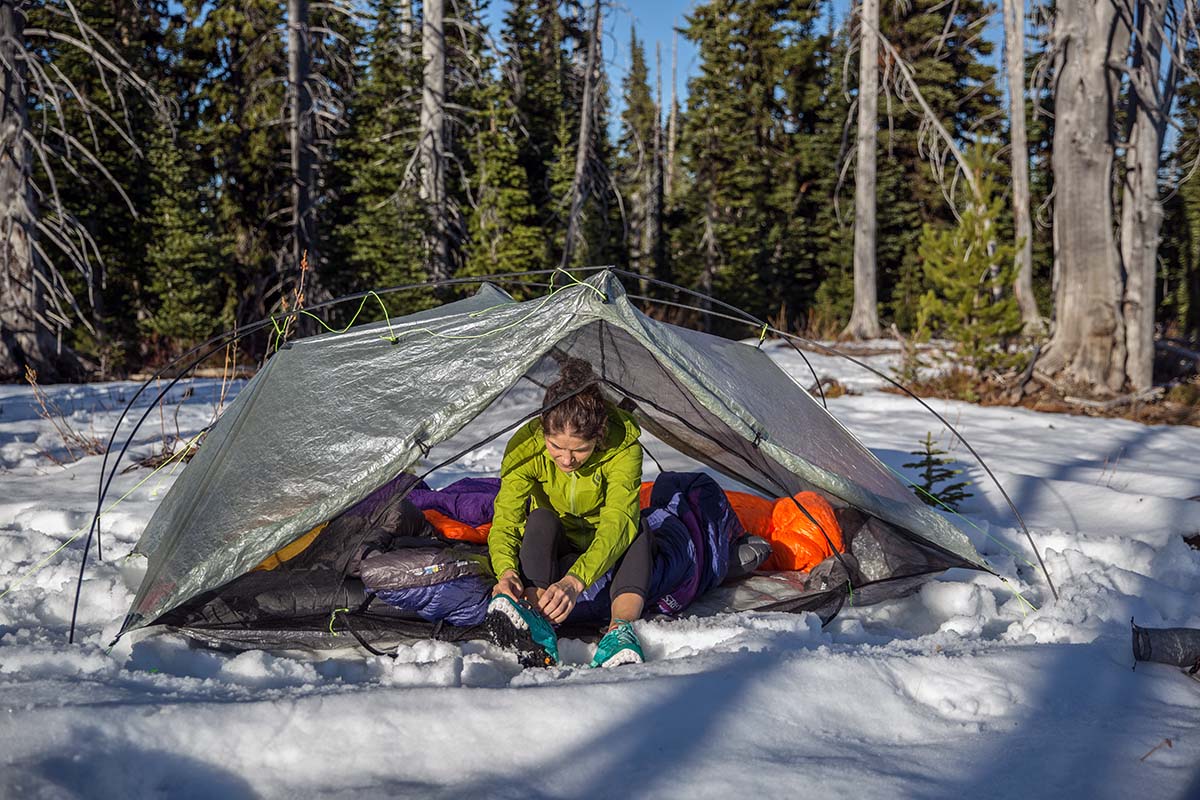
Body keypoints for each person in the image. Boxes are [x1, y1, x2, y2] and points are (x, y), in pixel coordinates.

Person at [484, 359, 650, 668]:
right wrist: (506, 572)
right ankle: (535, 624)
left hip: (604, 543)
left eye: (579, 449)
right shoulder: (527, 448)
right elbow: (507, 518)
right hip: (557, 539)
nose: (567, 458)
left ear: (598, 436)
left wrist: (575, 582)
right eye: (555, 446)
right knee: (541, 518)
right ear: (543, 430)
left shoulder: (624, 449)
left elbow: (618, 521)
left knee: (637, 527)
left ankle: (620, 631)